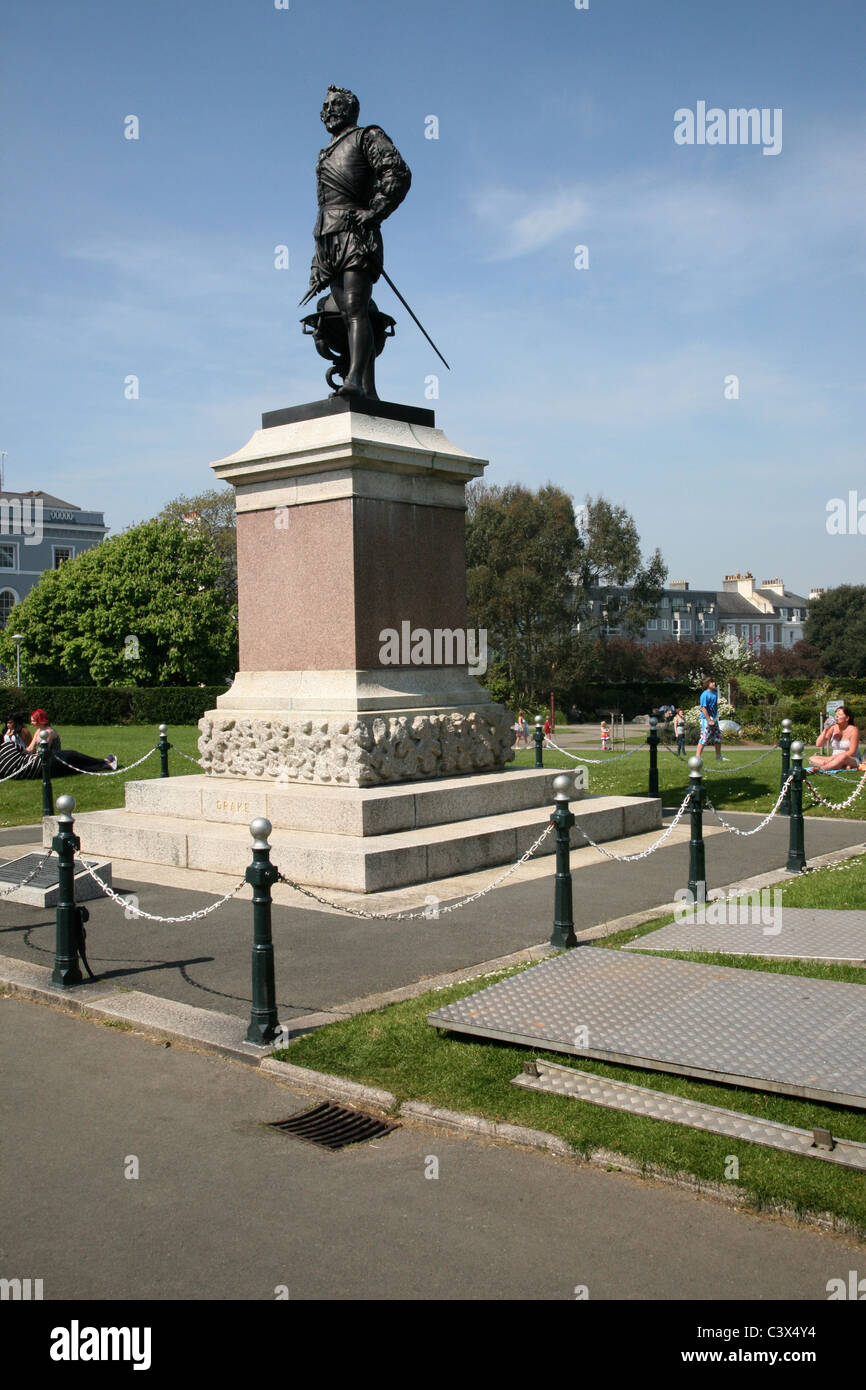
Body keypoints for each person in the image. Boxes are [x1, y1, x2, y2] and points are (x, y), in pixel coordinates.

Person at [303, 86, 411, 399]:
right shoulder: (326, 150)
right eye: (325, 106)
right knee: (342, 308)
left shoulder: (368, 137)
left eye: (336, 105)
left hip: (355, 233)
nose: (328, 111)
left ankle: (356, 381)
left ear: (352, 110)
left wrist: (374, 211)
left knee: (354, 308)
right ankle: (365, 386)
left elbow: (397, 173)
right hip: (329, 236)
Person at [25, 709, 117, 774]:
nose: (31, 723)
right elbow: (30, 748)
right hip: (50, 759)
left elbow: (45, 750)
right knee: (83, 765)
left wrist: (35, 752)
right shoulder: (38, 731)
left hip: (58, 758)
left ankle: (106, 763)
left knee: (84, 764)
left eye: (33, 721)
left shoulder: (49, 732)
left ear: (40, 721)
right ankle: (106, 762)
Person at [809, 705, 861, 771]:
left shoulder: (853, 730)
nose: (836, 716)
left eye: (839, 714)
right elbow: (819, 744)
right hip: (832, 759)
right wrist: (825, 729)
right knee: (812, 758)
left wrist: (834, 757)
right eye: (836, 714)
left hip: (851, 758)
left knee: (843, 757)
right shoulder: (833, 728)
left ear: (847, 718)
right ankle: (840, 766)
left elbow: (852, 751)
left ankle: (822, 769)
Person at [696, 679, 727, 763]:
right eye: (712, 682)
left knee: (718, 737)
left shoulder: (715, 693)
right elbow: (703, 708)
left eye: (714, 682)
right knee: (704, 737)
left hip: (714, 719)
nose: (714, 683)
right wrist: (709, 720)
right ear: (707, 684)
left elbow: (715, 707)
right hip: (705, 720)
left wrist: (715, 718)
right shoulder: (704, 695)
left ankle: (718, 756)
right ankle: (697, 757)